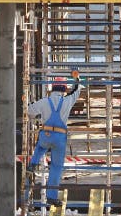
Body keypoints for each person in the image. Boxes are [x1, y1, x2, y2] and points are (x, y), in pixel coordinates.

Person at [27, 70, 83, 207]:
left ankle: (32, 164)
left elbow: (29, 111)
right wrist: (76, 78)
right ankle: (51, 197)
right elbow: (77, 90)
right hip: (60, 137)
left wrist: (31, 105)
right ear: (64, 89)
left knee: (40, 146)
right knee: (56, 167)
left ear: (52, 88)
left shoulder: (45, 101)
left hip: (46, 134)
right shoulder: (68, 101)